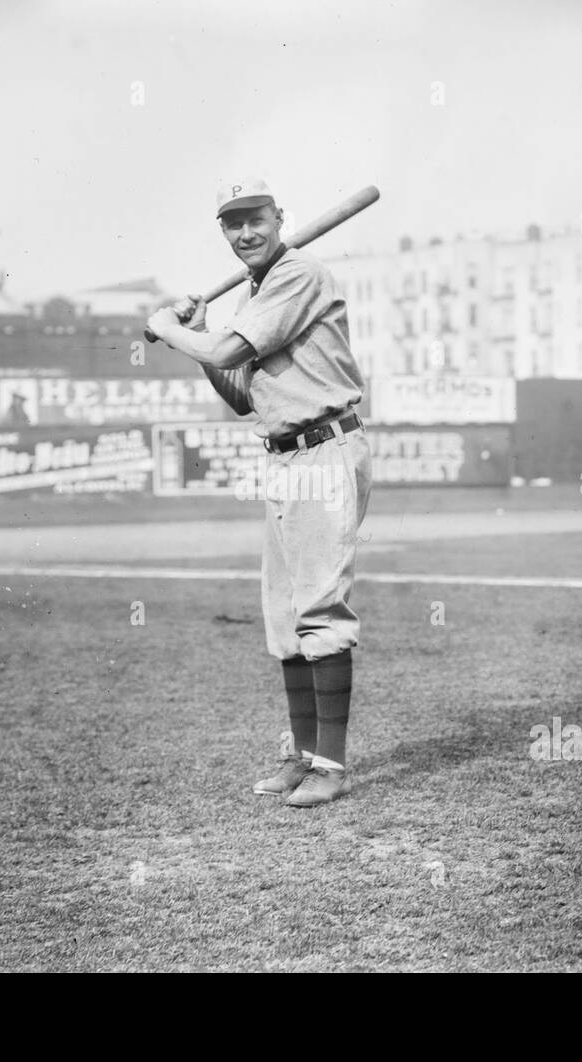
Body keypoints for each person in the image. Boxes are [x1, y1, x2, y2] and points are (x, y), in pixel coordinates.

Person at [147, 177, 371, 808]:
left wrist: (170, 330)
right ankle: (301, 757)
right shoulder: (259, 289)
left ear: (279, 219)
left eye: (256, 219)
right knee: (284, 615)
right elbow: (243, 393)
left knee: (320, 610)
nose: (246, 232)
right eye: (232, 223)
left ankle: (331, 765)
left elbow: (223, 348)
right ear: (224, 232)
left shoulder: (298, 275)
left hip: (326, 449)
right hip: (283, 456)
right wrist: (201, 342)